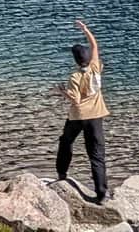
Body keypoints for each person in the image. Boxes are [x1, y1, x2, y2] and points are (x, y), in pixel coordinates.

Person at [54, 18, 109, 202]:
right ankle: (102, 193)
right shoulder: (96, 67)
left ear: (76, 60)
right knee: (96, 155)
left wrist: (62, 91)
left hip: (77, 116)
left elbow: (75, 99)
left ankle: (62, 174)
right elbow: (94, 46)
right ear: (87, 58)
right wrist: (85, 29)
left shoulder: (75, 76)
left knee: (66, 141)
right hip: (96, 116)